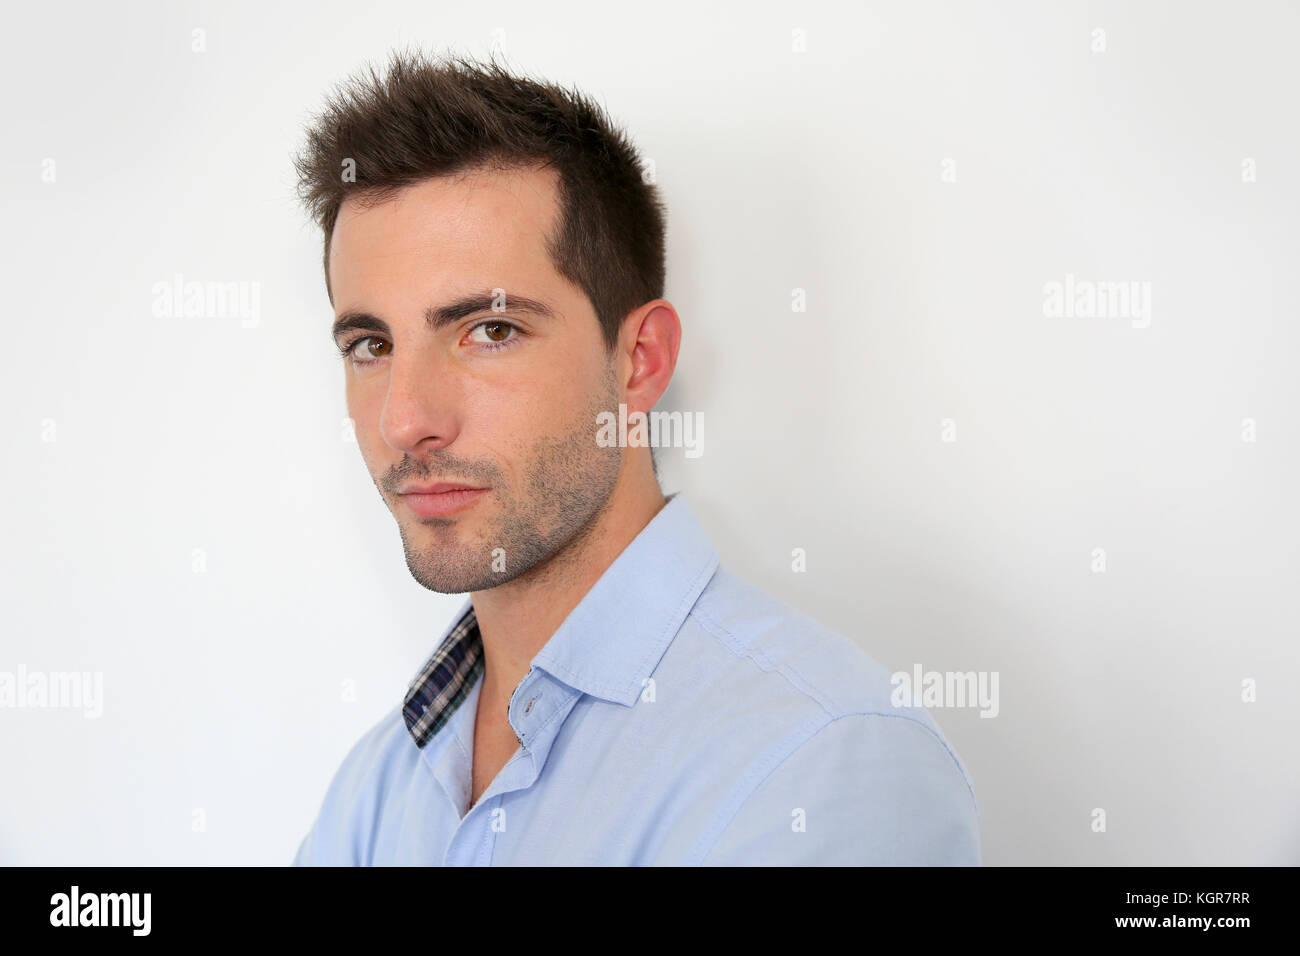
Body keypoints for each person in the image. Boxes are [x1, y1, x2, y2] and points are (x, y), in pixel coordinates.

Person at [290, 50, 980, 865]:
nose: (406, 418)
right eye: (371, 344)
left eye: (490, 331)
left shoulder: (823, 760)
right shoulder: (376, 787)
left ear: (639, 361)